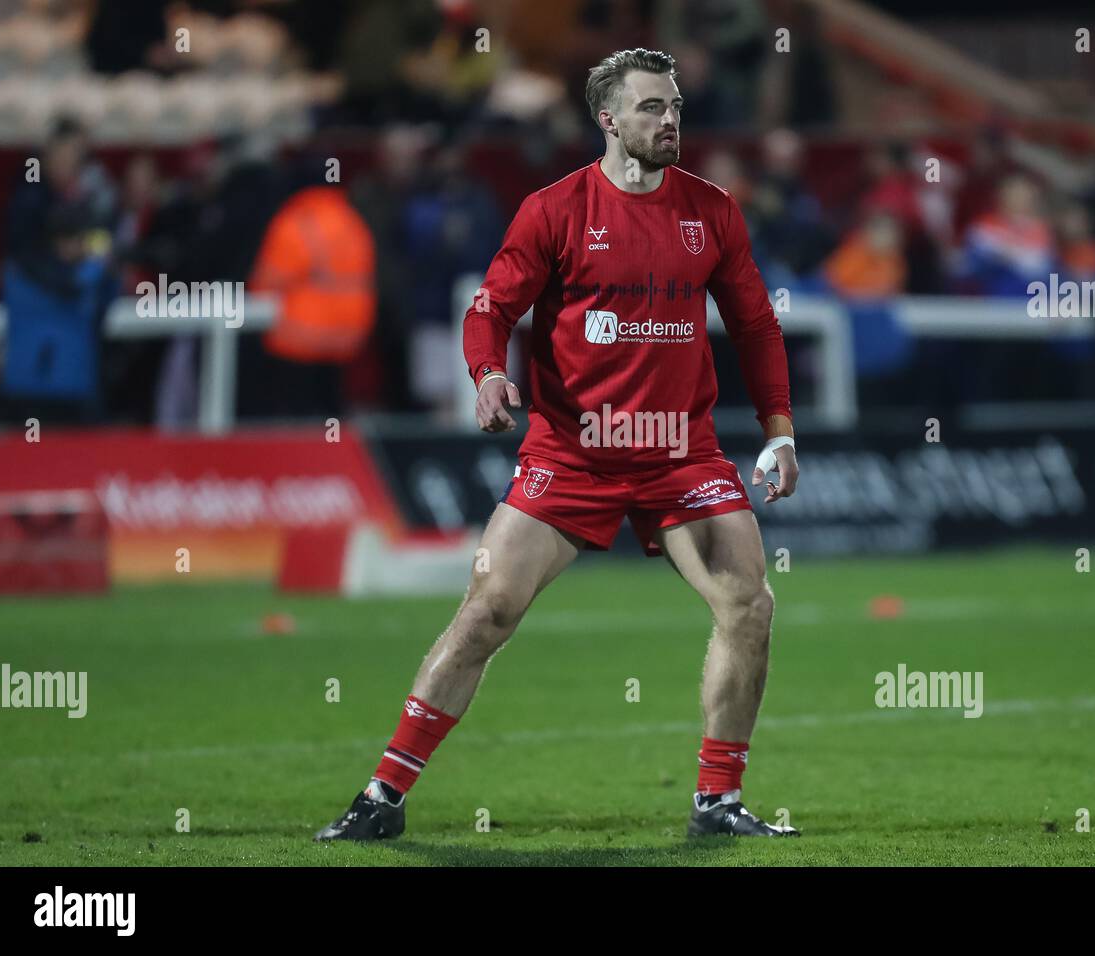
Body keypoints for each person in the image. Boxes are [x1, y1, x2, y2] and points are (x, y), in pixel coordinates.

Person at [316, 47, 801, 841]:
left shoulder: (712, 210)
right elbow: (490, 310)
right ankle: (383, 797)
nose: (670, 118)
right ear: (608, 119)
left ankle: (718, 801)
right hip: (572, 452)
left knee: (749, 606)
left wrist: (779, 433)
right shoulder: (554, 210)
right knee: (488, 609)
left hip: (681, 453)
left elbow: (755, 327)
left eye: (674, 104)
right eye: (651, 107)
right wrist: (484, 375)